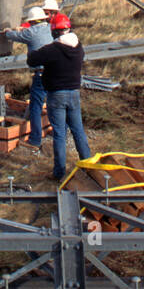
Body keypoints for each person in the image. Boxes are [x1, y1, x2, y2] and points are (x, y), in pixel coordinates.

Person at [26, 30, 92, 183]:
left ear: (55, 31)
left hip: (56, 95)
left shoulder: (53, 49)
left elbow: (32, 60)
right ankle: (88, 166)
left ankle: (59, 172)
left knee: (60, 134)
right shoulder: (78, 47)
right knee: (78, 130)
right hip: (74, 94)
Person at [4, 6, 51, 150]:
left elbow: (12, 36)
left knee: (35, 107)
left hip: (41, 74)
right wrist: (22, 29)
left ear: (32, 22)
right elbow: (30, 33)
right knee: (54, 102)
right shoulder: (48, 28)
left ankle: (35, 140)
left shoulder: (31, 32)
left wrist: (8, 32)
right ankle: (58, 130)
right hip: (54, 72)